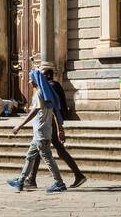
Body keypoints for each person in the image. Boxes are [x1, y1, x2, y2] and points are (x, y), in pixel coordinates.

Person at [23, 62, 86, 190]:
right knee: (44, 149)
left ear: (46, 76)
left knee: (42, 149)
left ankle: (35, 179)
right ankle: (32, 179)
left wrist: (59, 128)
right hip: (49, 123)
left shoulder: (50, 87)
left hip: (49, 123)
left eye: (40, 75)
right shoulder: (53, 86)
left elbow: (55, 109)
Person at [8, 61, 67, 193]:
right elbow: (55, 113)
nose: (29, 82)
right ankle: (21, 181)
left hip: (41, 133)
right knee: (29, 157)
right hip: (41, 133)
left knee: (48, 158)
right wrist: (60, 130)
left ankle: (59, 183)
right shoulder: (47, 94)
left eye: (30, 79)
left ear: (35, 80)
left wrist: (19, 125)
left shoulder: (39, 94)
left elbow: (34, 111)